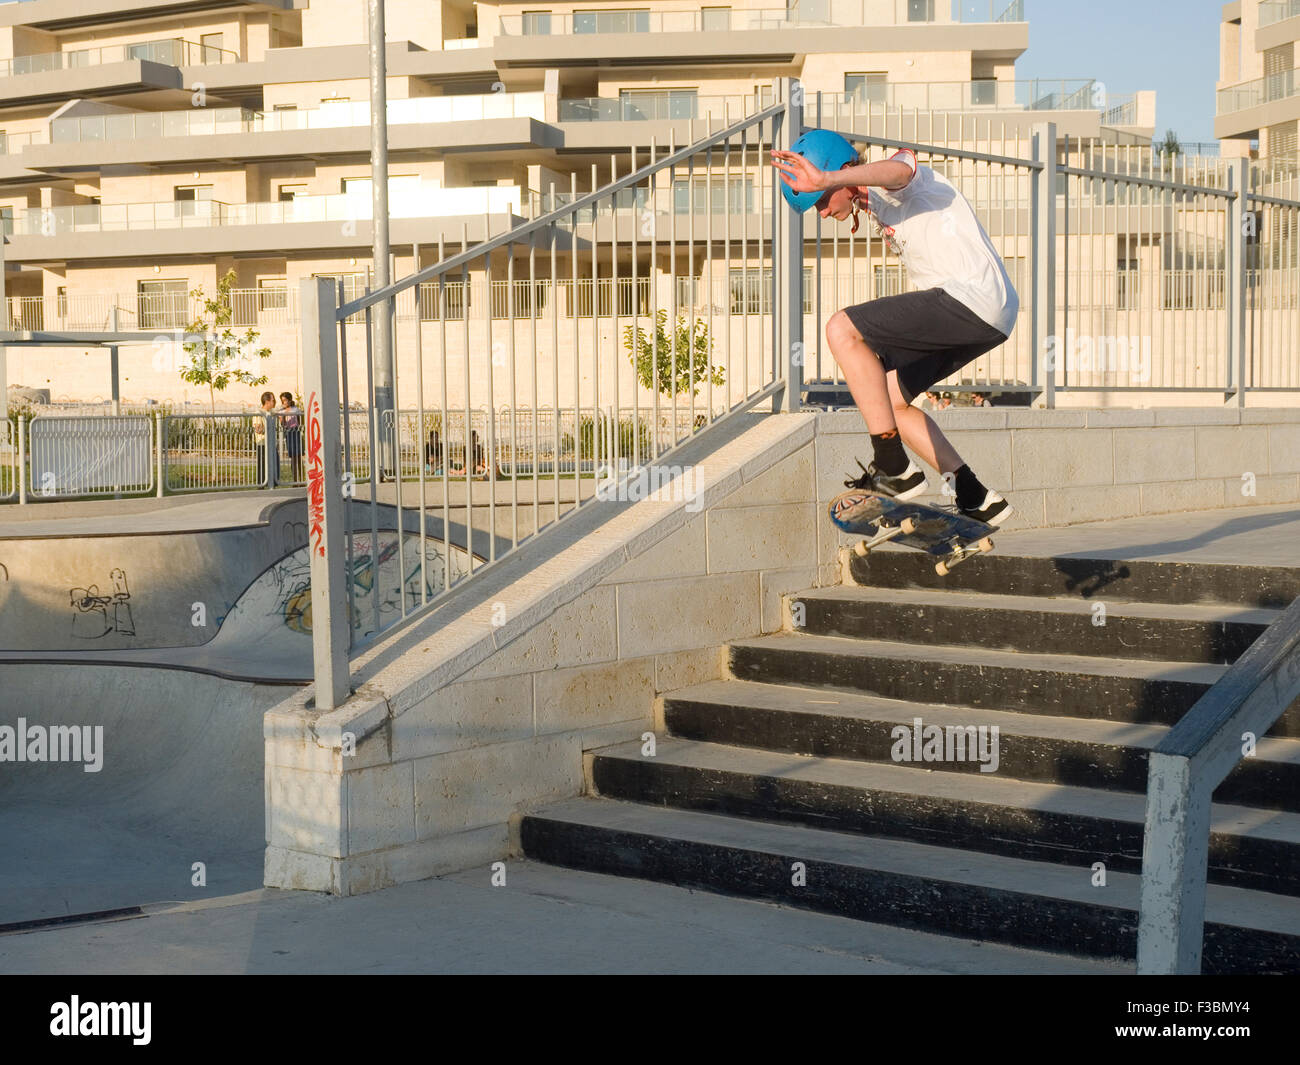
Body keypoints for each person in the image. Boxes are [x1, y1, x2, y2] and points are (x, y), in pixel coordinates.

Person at [772, 130, 1016, 525]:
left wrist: (829, 180)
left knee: (841, 329)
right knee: (887, 400)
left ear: (842, 171)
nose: (821, 212)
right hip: (987, 315)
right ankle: (976, 496)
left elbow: (899, 169)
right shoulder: (877, 208)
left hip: (970, 299)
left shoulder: (897, 184)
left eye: (819, 201)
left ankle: (894, 468)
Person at [252, 391, 277, 487]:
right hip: (262, 444)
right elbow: (258, 429)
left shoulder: (271, 412)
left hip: (271, 443)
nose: (274, 402)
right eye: (273, 400)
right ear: (267, 401)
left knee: (273, 465)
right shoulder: (259, 413)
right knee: (262, 466)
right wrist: (267, 428)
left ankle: (272, 483)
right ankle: (261, 485)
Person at [279, 391, 303, 483]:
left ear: (289, 400)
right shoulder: (281, 411)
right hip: (288, 433)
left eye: (285, 400)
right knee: (293, 457)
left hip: (296, 432)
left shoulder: (295, 409)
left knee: (298, 456)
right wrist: (282, 418)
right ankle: (295, 479)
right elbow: (283, 424)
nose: (284, 402)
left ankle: (301, 479)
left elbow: (300, 421)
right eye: (282, 401)